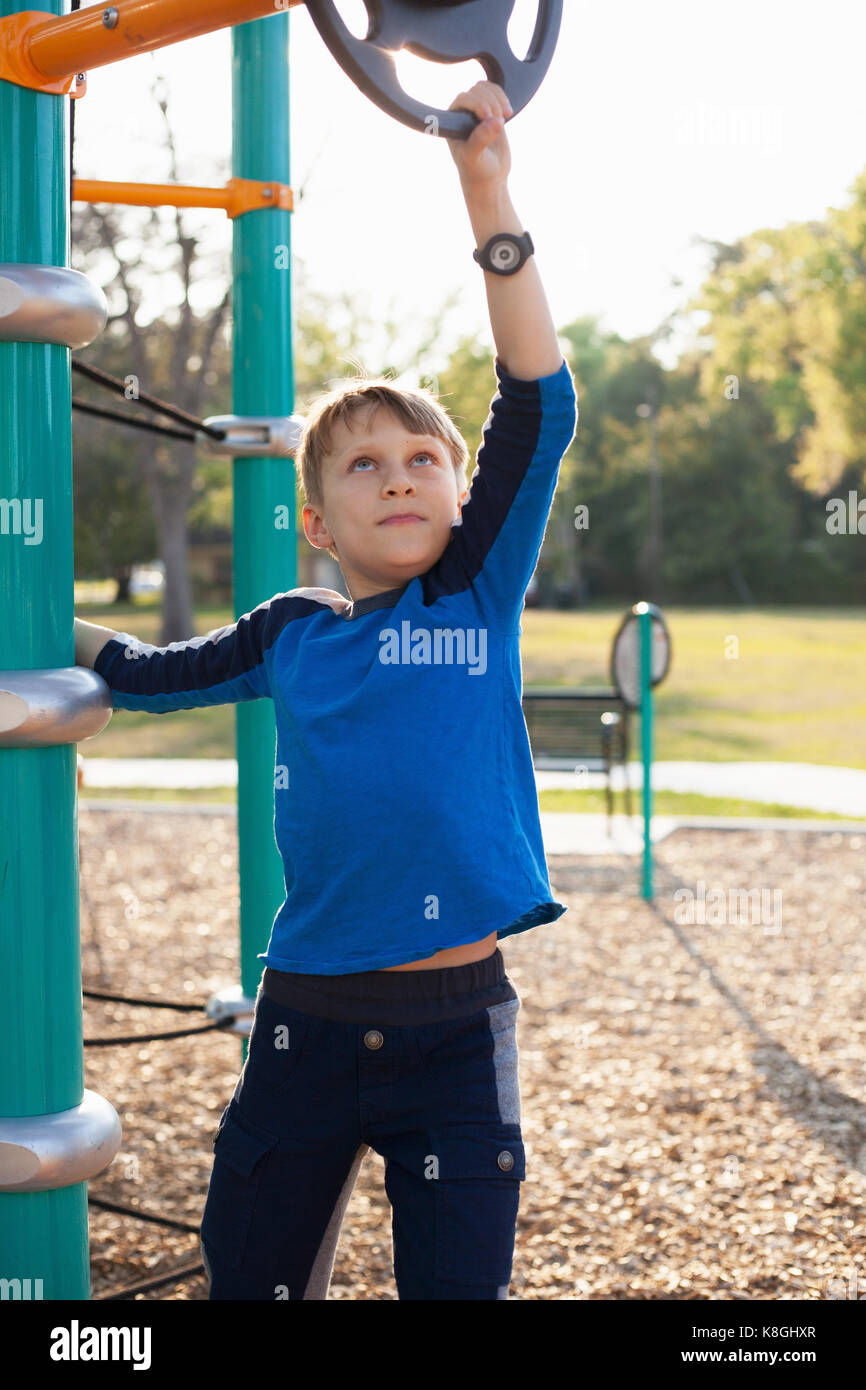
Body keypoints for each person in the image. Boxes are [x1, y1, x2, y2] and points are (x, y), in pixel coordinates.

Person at [74, 80, 577, 1300]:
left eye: (423, 461)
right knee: (249, 1283)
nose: (399, 477)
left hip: (455, 1030)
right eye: (364, 463)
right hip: (299, 1023)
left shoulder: (472, 594)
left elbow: (538, 403)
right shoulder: (290, 634)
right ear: (315, 520)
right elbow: (136, 675)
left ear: (461, 499)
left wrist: (487, 194)